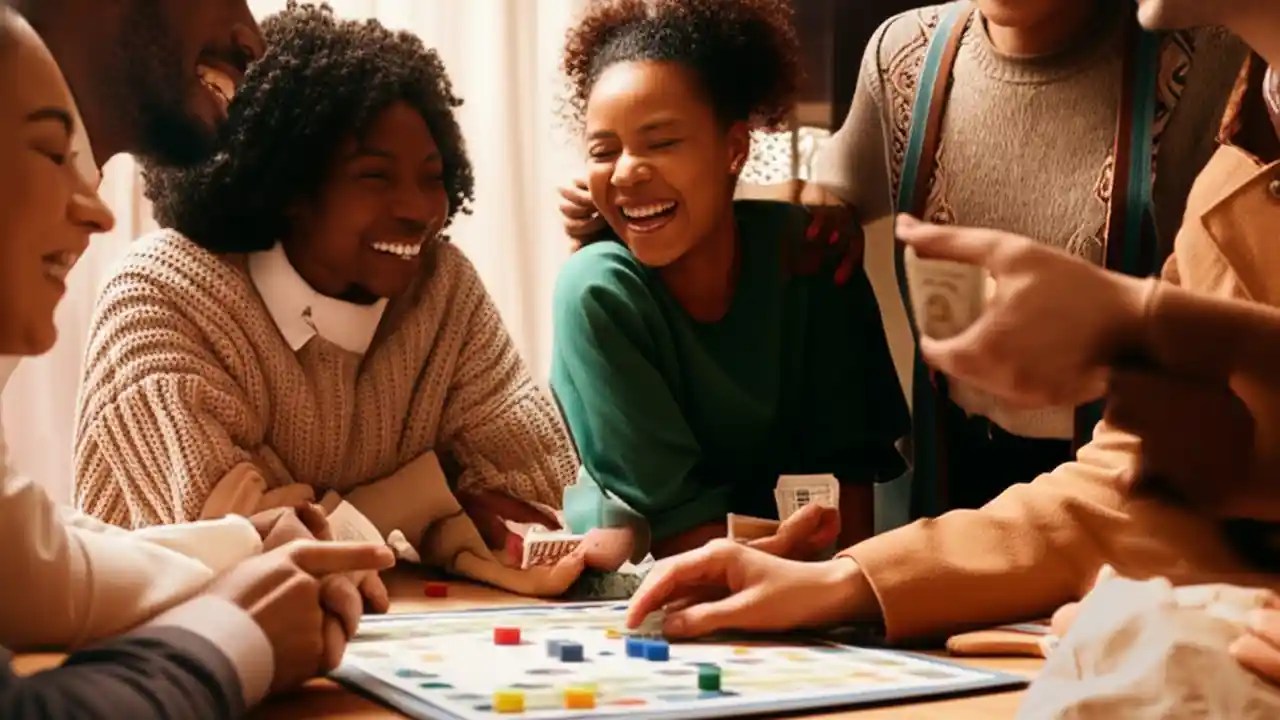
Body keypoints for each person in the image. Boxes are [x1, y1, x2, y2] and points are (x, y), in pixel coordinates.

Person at [624, 0, 1280, 687]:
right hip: (983, 498)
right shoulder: (1245, 153)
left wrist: (1145, 324)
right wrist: (849, 581)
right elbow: (1123, 481)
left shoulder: (1212, 79)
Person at [562, 0, 1246, 522]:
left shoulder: (1204, 51)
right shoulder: (905, 54)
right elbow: (817, 198)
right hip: (951, 498)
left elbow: (1236, 285)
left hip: (1136, 494)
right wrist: (631, 197)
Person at [73, 2, 591, 596]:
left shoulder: (443, 290)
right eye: (376, 177)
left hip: (386, 626)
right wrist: (431, 492)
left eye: (431, 176)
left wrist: (359, 516)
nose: (421, 209)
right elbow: (236, 540)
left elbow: (537, 490)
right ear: (291, 187)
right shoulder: (161, 294)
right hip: (159, 643)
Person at [0, 7, 395, 715]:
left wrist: (239, 547)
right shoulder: (160, 286)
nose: (97, 216)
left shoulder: (439, 293)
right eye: (46, 152)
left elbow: (23, 545)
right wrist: (231, 633)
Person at [549, 0, 910, 560]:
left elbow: (849, 487)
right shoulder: (598, 295)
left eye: (661, 142)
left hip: (810, 587)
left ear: (734, 149)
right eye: (604, 151)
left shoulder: (810, 257)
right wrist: (802, 563)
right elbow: (670, 530)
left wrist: (841, 593)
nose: (626, 171)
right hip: (642, 591)